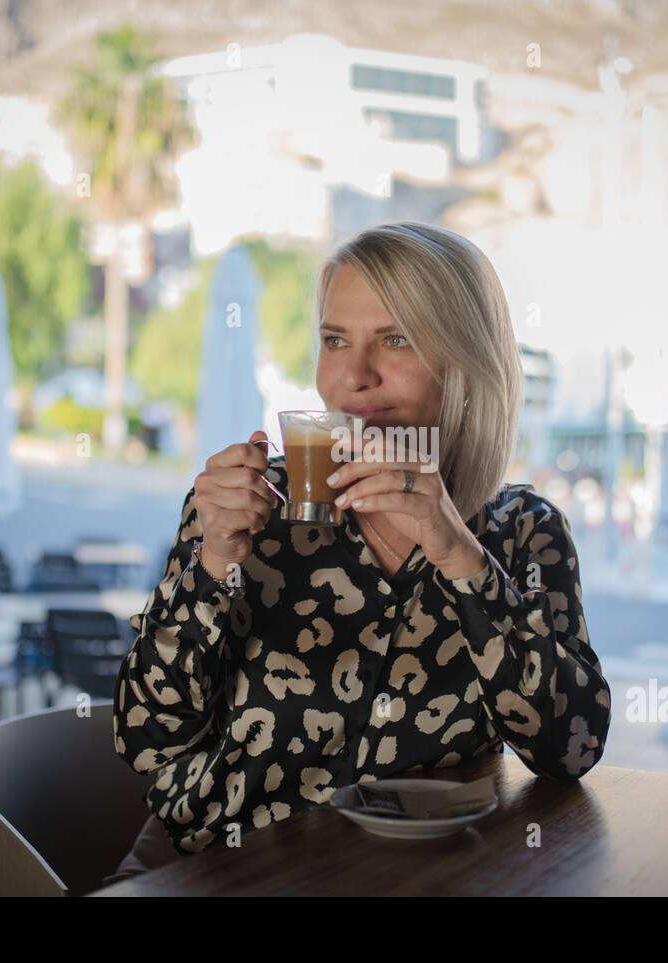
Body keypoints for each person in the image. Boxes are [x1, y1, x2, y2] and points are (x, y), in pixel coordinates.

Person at [103, 221, 611, 885]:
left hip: (404, 878)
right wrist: (212, 564)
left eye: (395, 339)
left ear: (465, 363)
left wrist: (458, 553)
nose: (353, 376)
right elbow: (146, 739)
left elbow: (569, 747)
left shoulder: (522, 533)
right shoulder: (252, 506)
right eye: (334, 340)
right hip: (208, 870)